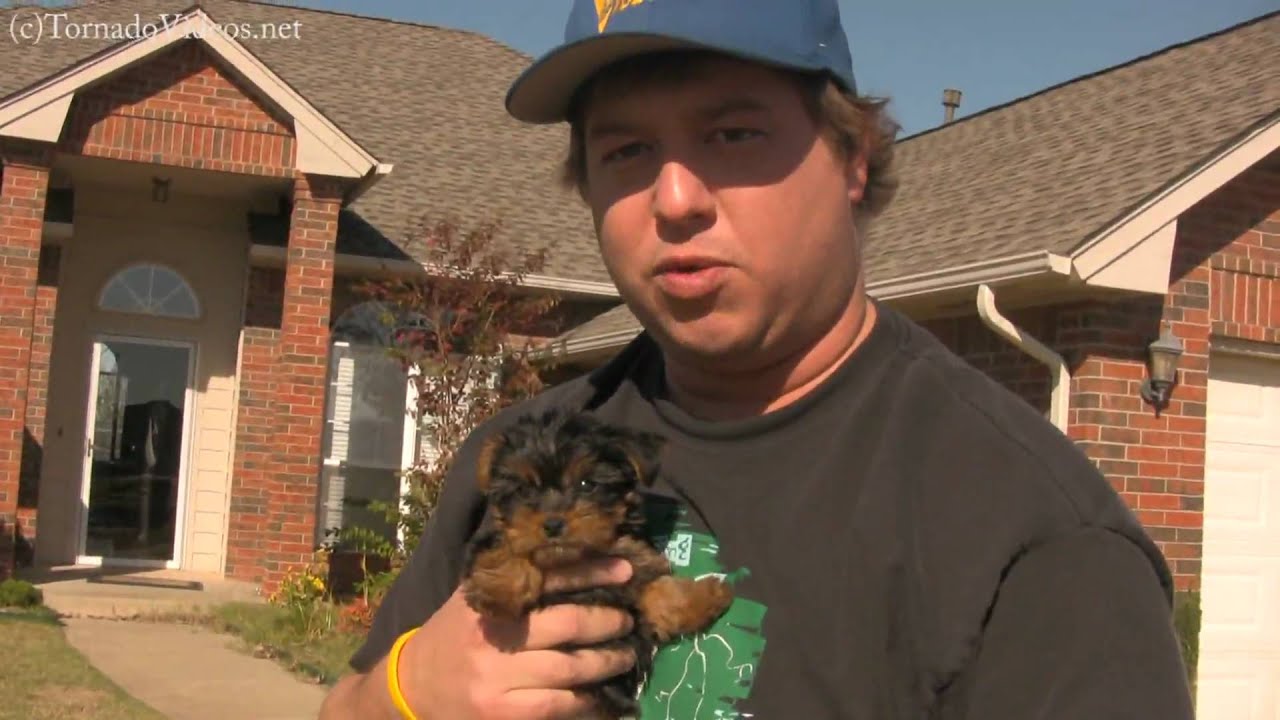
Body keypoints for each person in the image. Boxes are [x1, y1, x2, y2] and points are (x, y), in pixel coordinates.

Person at [319, 0, 1197, 717]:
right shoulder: (523, 453)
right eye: (625, 151)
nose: (673, 198)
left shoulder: (1035, 539)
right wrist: (405, 693)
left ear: (852, 157)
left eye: (732, 134)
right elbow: (343, 707)